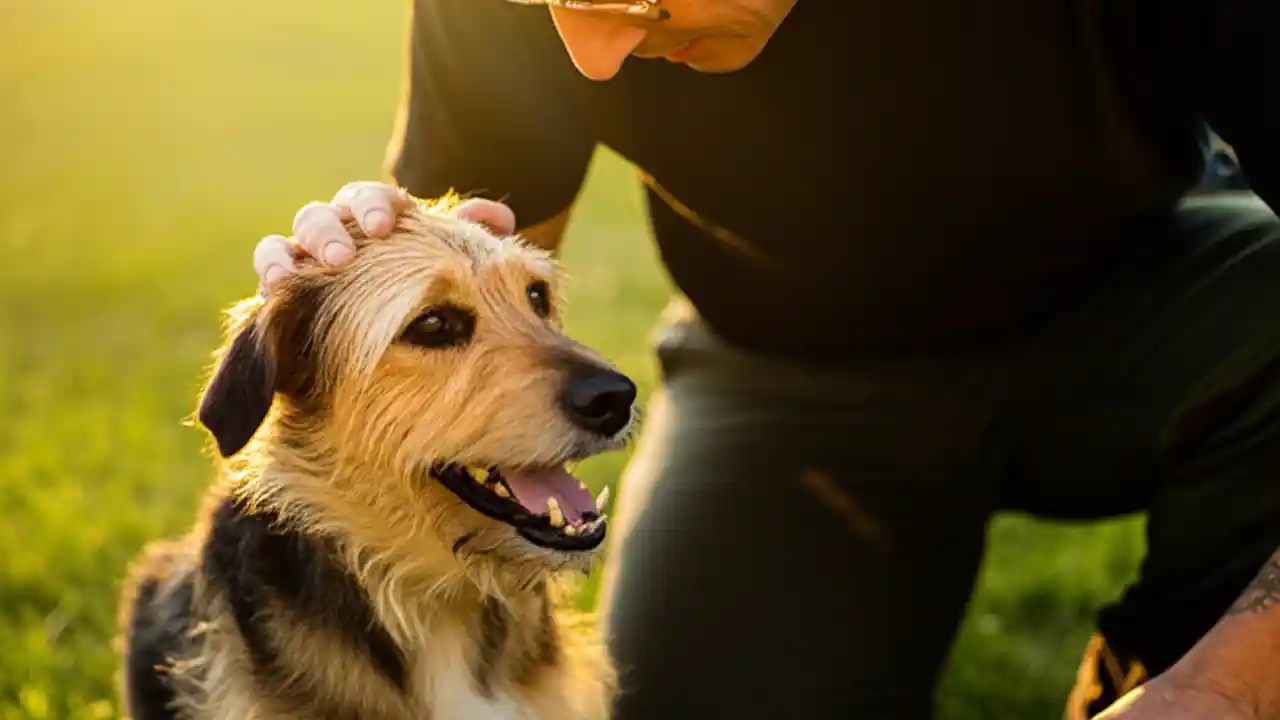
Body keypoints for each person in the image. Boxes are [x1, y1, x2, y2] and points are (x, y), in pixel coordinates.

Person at [251, 1, 1280, 717]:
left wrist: (1224, 688)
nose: (592, 52)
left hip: (1155, 313)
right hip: (784, 372)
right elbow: (472, 297)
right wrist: (346, 282)